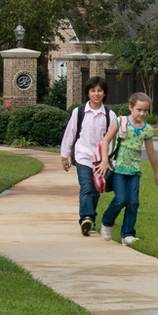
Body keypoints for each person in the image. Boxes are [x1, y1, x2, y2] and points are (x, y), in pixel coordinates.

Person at [96, 92, 158, 246]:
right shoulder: (121, 122)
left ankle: (127, 234)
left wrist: (157, 173)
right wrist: (105, 160)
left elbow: (151, 153)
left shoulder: (147, 129)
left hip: (134, 171)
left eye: (145, 110)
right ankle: (107, 221)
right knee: (120, 199)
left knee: (133, 202)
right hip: (118, 169)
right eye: (139, 110)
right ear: (130, 108)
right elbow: (105, 141)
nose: (142, 113)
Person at [60, 76, 116, 236]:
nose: (96, 94)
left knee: (96, 190)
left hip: (101, 159)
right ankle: (87, 218)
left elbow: (112, 140)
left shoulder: (109, 115)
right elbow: (70, 134)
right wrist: (64, 156)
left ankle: (90, 220)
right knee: (86, 187)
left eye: (99, 91)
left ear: (104, 93)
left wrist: (109, 160)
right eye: (93, 91)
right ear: (88, 93)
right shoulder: (79, 112)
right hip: (82, 155)